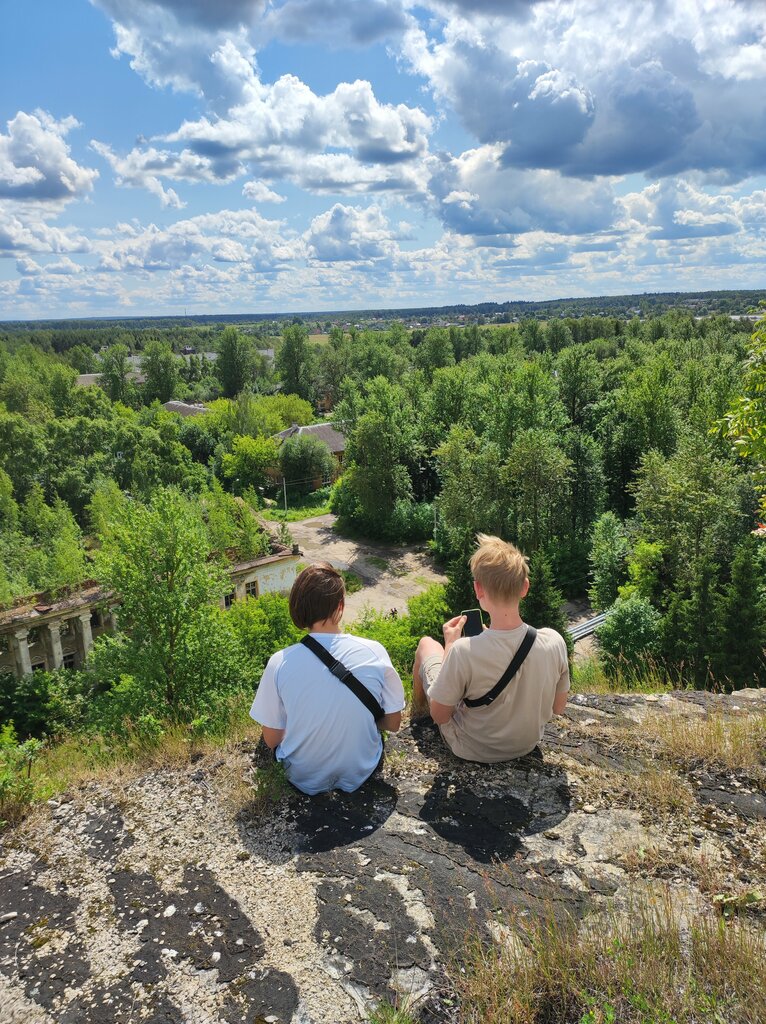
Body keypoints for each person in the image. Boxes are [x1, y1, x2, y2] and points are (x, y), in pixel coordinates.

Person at [250, 562, 405, 795]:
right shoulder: (374, 651)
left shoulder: (279, 662)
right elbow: (393, 724)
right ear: (340, 606)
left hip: (301, 778)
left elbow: (271, 740)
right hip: (362, 770)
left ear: (298, 607)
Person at [412, 534, 569, 762]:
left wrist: (450, 646)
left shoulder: (462, 651)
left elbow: (440, 715)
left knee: (426, 645)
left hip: (472, 748)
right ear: (525, 587)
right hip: (527, 745)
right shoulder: (554, 641)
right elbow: (558, 707)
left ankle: (416, 713)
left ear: (478, 589)